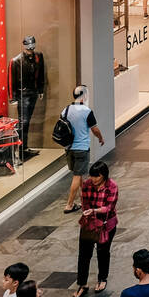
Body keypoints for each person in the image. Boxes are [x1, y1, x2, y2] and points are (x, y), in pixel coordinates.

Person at [72, 161, 118, 297]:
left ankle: (102, 278)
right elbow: (85, 202)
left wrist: (94, 211)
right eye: (92, 176)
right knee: (84, 254)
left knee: (103, 252)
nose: (93, 179)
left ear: (103, 175)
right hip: (89, 223)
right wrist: (88, 212)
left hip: (106, 224)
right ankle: (82, 284)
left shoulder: (112, 187)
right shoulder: (87, 185)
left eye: (96, 177)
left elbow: (109, 207)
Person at [61, 86, 105, 214]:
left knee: (77, 172)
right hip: (81, 148)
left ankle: (84, 197)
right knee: (77, 175)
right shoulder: (86, 111)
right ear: (84, 96)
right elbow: (95, 129)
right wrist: (101, 138)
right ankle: (69, 205)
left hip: (69, 148)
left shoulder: (66, 110)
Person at [10, 36, 46, 164]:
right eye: (28, 49)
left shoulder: (38, 56)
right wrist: (13, 98)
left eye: (32, 49)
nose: (30, 51)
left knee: (27, 121)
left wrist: (40, 89)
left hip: (33, 92)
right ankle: (18, 151)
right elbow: (12, 80)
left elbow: (41, 73)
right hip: (22, 94)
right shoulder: (16, 61)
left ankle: (24, 148)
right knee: (22, 123)